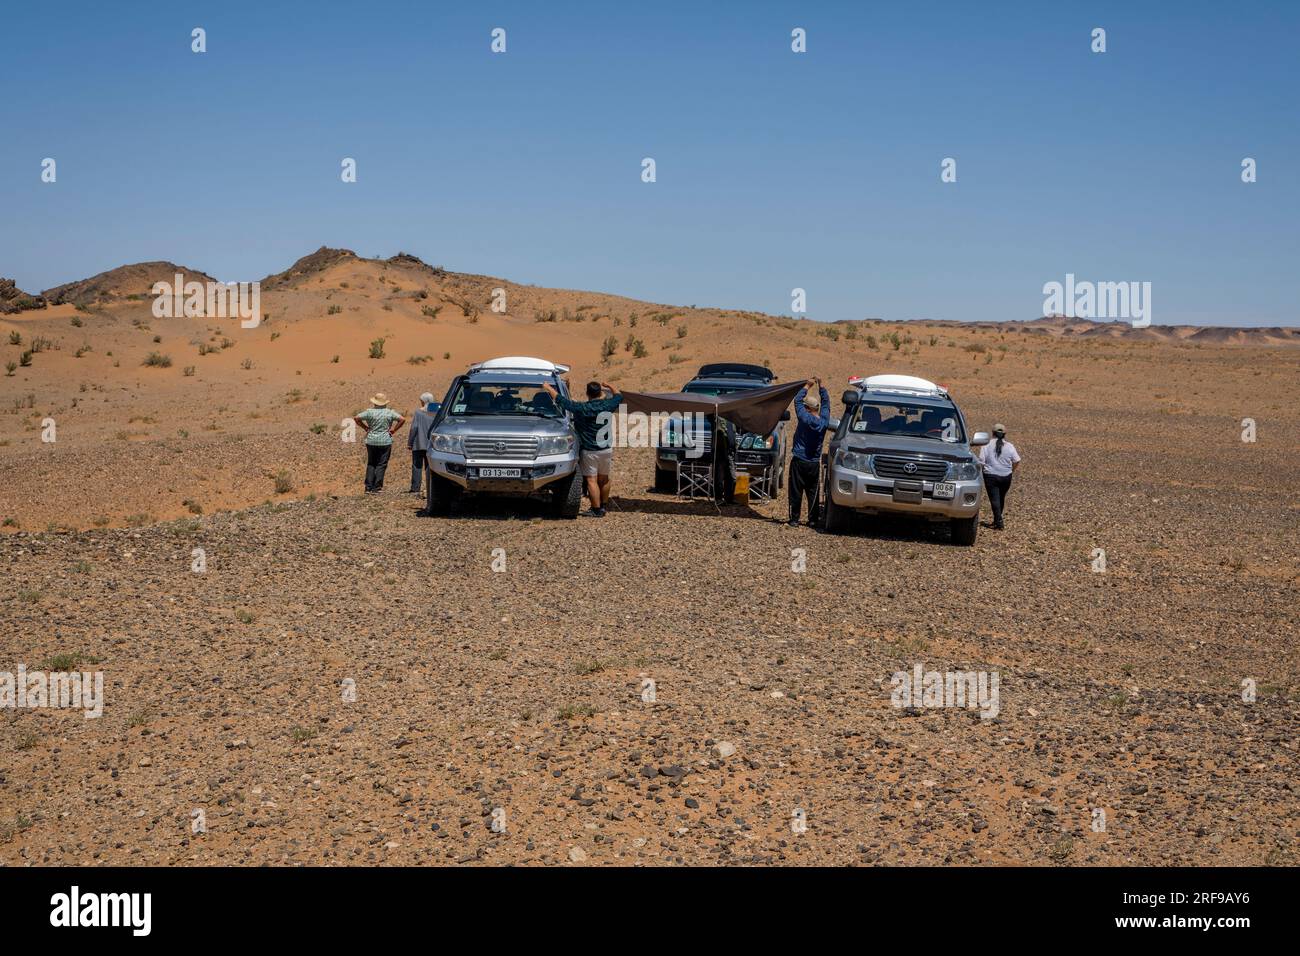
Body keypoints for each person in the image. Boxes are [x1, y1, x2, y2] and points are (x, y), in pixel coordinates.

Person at [542, 378, 621, 517]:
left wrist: (548, 388)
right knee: (604, 479)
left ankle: (596, 510)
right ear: (600, 393)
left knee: (591, 480)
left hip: (590, 450)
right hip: (606, 449)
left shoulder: (582, 408)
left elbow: (563, 401)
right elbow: (619, 395)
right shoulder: (608, 405)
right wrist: (608, 385)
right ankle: (603, 506)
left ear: (587, 393)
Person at [788, 378, 831, 527]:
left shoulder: (804, 418)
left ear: (807, 408)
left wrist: (807, 385)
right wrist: (822, 386)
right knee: (813, 491)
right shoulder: (824, 421)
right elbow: (826, 404)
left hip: (799, 460)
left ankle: (794, 519)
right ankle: (813, 520)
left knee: (796, 490)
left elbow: (797, 401)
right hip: (813, 462)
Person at [354, 393, 405, 494]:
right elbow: (402, 419)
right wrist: (394, 430)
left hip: (371, 440)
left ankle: (368, 487)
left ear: (375, 402)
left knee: (371, 463)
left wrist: (365, 427)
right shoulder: (389, 413)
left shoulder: (369, 412)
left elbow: (356, 418)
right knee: (382, 464)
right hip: (385, 441)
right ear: (385, 403)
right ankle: (377, 487)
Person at [978, 423, 1020, 530]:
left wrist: (981, 473)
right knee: (1001, 498)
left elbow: (981, 462)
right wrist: (1011, 470)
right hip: (1006, 476)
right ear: (1004, 434)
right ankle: (997, 520)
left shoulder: (986, 445)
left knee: (994, 499)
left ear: (992, 433)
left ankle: (999, 521)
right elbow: (1017, 460)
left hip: (991, 476)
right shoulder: (1010, 446)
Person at [407, 391, 437, 494]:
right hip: (432, 444)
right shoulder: (437, 412)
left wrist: (410, 442)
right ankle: (432, 487)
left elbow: (414, 428)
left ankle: (415, 488)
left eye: (421, 401)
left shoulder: (418, 412)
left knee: (417, 466)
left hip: (418, 443)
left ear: (424, 401)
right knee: (430, 467)